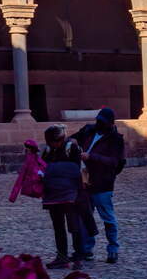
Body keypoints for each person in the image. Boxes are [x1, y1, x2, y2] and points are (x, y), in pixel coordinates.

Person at [72, 107, 126, 264]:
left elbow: (115, 162)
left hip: (103, 184)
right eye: (98, 120)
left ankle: (113, 249)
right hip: (85, 182)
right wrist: (73, 141)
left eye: (102, 122)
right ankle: (86, 249)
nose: (99, 124)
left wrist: (91, 157)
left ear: (110, 123)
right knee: (85, 218)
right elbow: (73, 138)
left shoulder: (116, 139)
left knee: (108, 218)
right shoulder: (89, 130)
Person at [40, 126, 88, 269]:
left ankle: (78, 256)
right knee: (58, 226)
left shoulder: (72, 148)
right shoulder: (48, 150)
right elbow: (43, 167)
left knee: (74, 225)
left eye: (52, 141)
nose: (50, 144)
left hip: (71, 193)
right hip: (53, 194)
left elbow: (76, 169)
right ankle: (62, 257)